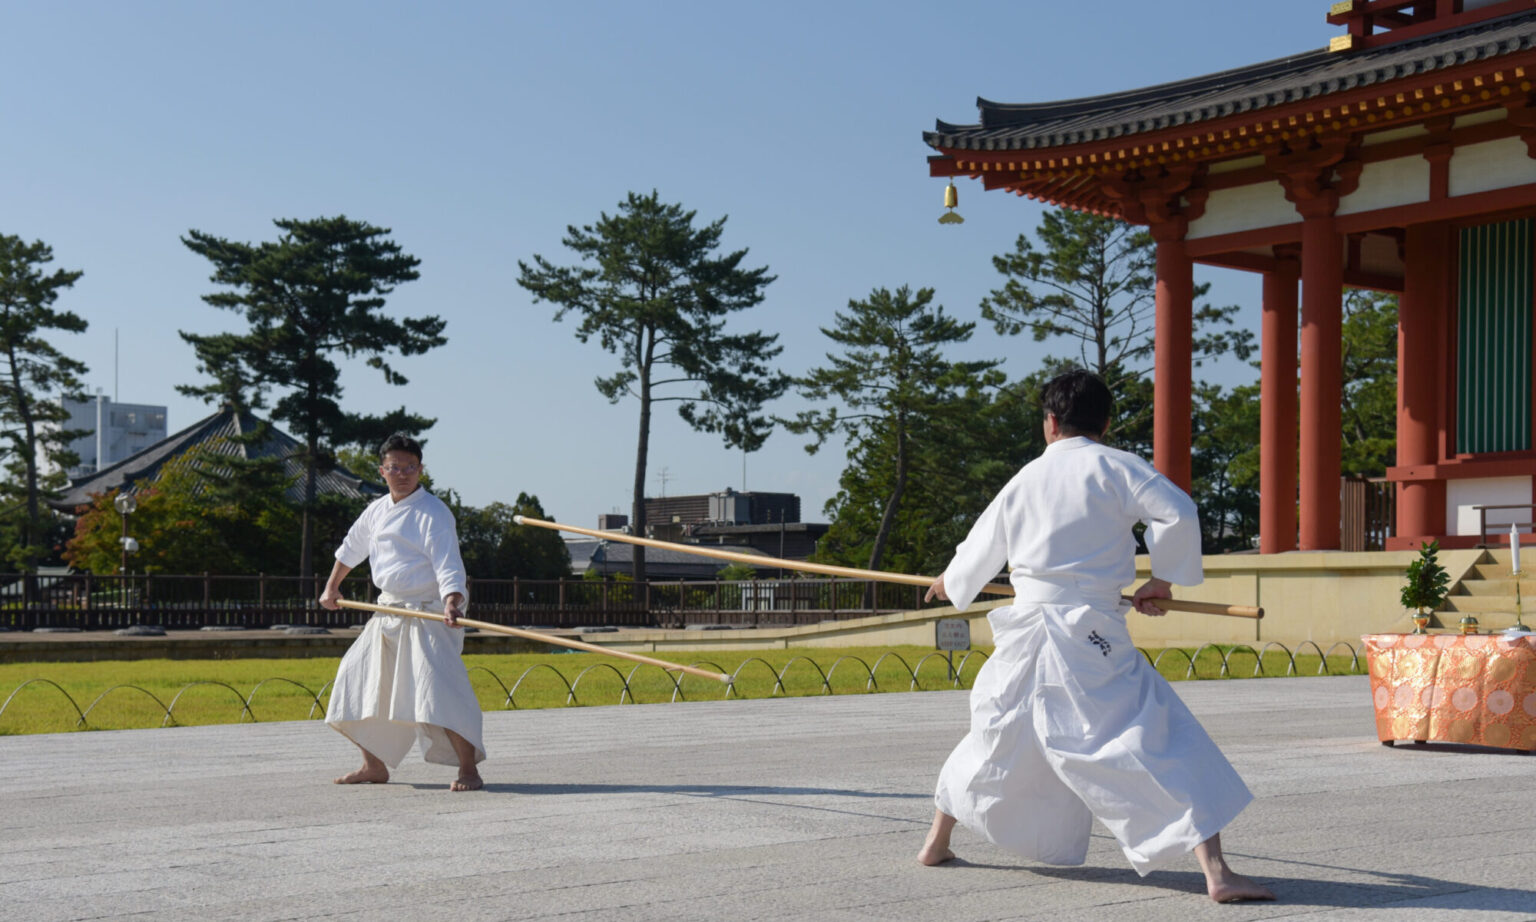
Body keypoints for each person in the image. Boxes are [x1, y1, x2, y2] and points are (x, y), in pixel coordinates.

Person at [916, 369, 1272, 903]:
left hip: (1029, 628)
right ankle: (1216, 872)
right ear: (1105, 422)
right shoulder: (1118, 467)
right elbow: (1179, 512)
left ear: (1050, 423)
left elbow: (983, 542)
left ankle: (935, 842)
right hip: (1087, 631)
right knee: (1155, 731)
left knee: (997, 730)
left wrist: (952, 580)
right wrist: (1163, 580)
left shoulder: (1026, 478)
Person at [318, 432, 485, 792]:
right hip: (389, 609)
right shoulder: (376, 510)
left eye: (410, 467)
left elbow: (448, 563)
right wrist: (332, 586)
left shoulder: (434, 513)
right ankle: (373, 765)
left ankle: (468, 769)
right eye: (395, 467)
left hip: (429, 610)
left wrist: (452, 600)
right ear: (383, 471)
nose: (403, 473)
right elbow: (351, 548)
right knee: (355, 676)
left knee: (439, 689)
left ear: (420, 470)